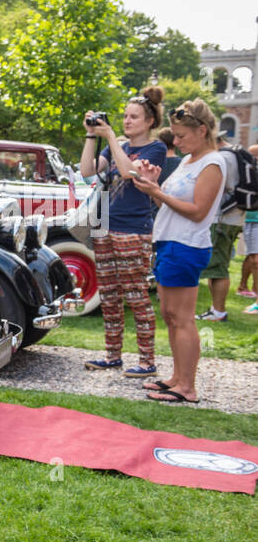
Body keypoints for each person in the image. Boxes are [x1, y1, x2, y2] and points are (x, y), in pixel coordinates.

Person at [130, 99, 226, 403]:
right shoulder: (188, 160)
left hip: (187, 245)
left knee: (182, 318)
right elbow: (169, 205)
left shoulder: (213, 162)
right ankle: (177, 378)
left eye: (182, 136)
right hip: (170, 242)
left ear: (202, 130)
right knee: (170, 314)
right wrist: (154, 186)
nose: (177, 141)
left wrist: (157, 192)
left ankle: (187, 387)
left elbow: (198, 212)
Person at [78, 86, 166, 377]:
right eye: (125, 116)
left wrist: (112, 137)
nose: (127, 121)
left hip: (133, 230)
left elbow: (131, 174)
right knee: (110, 296)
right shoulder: (116, 146)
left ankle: (147, 361)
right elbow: (87, 170)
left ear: (149, 121)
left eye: (134, 117)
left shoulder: (156, 148)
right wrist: (92, 135)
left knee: (136, 295)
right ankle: (112, 356)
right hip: (106, 227)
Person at [196, 132, 243, 321]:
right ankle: (216, 310)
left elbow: (215, 187)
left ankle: (218, 312)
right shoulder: (236, 153)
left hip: (222, 219)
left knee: (218, 267)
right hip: (234, 218)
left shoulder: (222, 158)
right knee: (219, 264)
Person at [240, 144, 258, 311]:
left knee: (255, 259)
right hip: (251, 219)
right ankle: (245, 288)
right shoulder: (248, 175)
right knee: (253, 258)